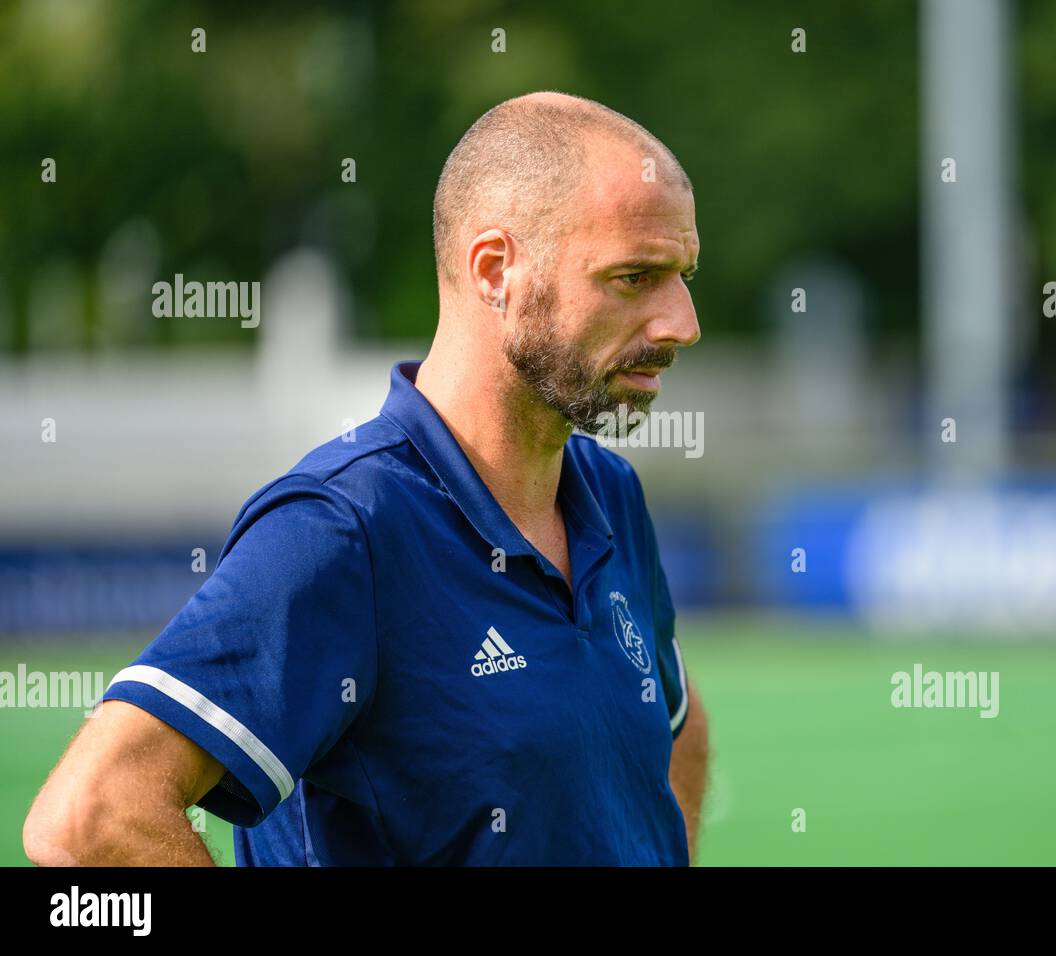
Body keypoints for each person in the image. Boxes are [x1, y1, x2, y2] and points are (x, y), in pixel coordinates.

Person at [24, 91, 708, 866]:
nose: (681, 322)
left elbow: (677, 724)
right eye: (633, 277)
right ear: (496, 271)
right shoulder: (340, 528)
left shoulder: (609, 493)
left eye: (682, 274)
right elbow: (88, 819)